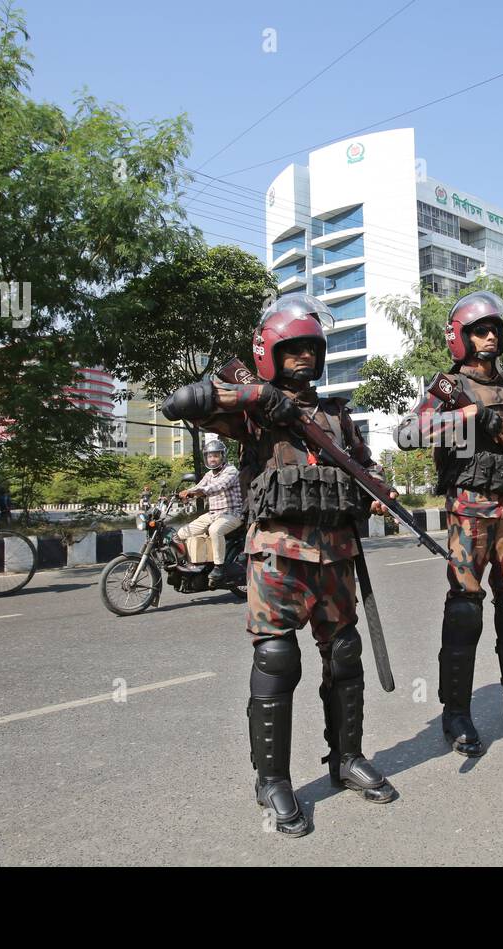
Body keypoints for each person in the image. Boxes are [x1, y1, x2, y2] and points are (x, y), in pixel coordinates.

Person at [161, 293, 398, 838]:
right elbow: (180, 403)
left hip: (337, 555)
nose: (303, 359)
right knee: (276, 660)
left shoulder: (337, 416)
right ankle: (272, 779)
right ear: (269, 353)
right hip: (277, 554)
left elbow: (364, 468)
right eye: (291, 350)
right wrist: (260, 397)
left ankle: (347, 759)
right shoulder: (252, 414)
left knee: (343, 656)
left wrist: (377, 488)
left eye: (310, 349)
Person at [393, 291, 503, 755]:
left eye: (495, 330)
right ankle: (457, 713)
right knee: (466, 608)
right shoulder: (449, 388)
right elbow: (407, 433)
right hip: (470, 510)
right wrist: (471, 417)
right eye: (479, 330)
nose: (490, 337)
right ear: (460, 338)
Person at [178, 438, 244, 587]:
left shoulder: (231, 471)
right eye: (209, 456)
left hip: (233, 513)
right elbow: (200, 487)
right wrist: (186, 494)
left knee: (215, 530)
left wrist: (193, 491)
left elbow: (218, 486)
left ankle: (219, 567)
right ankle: (191, 564)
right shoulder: (209, 475)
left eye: (215, 455)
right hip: (213, 514)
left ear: (222, 456)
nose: (212, 459)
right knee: (182, 533)